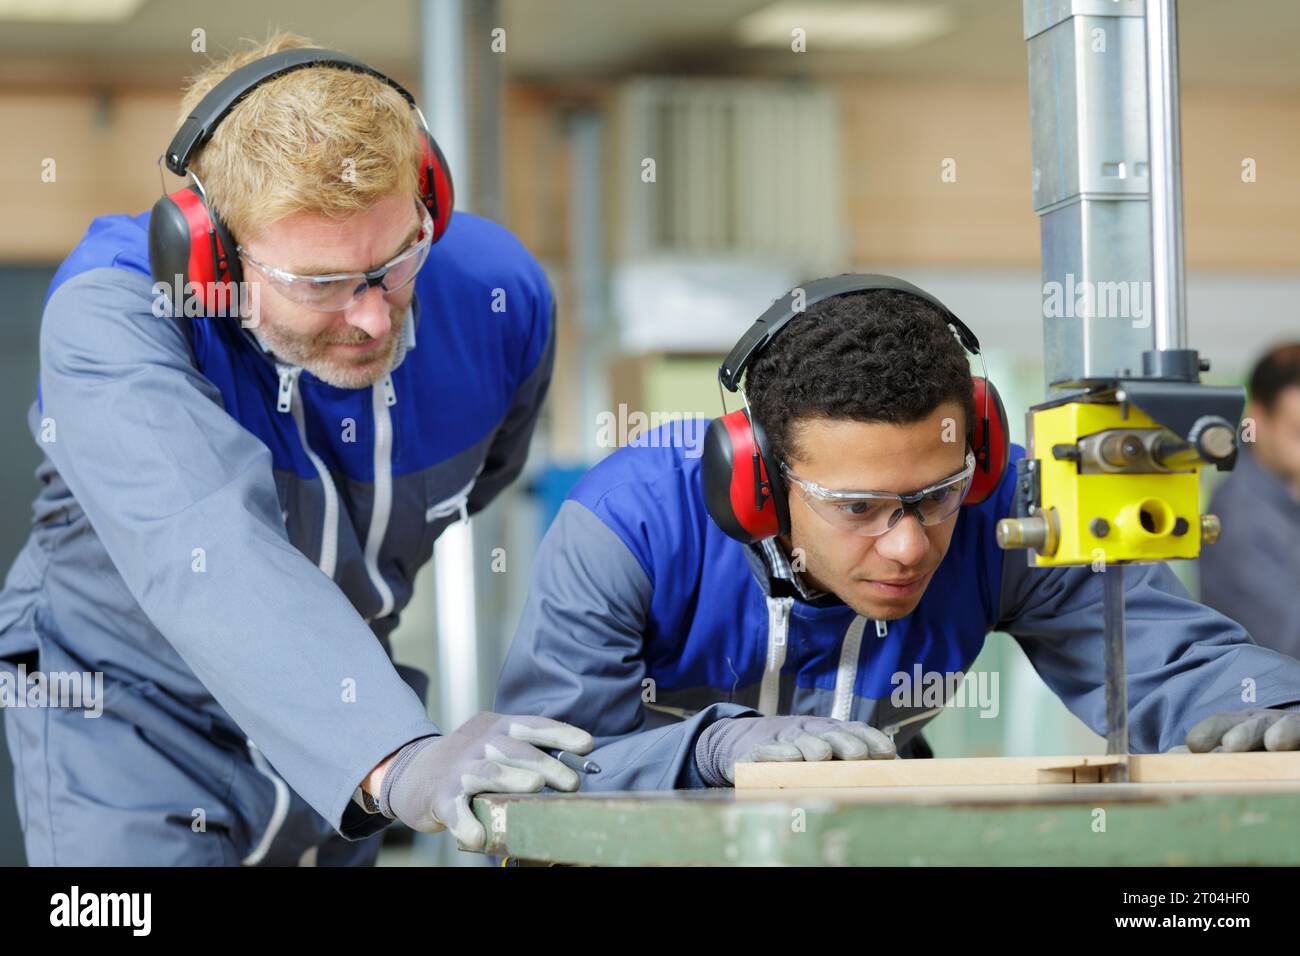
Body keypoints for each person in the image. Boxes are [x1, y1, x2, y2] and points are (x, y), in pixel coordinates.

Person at [0, 34, 590, 866]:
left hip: (345, 688)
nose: (377, 317)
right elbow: (205, 547)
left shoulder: (501, 297)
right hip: (128, 709)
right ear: (211, 254)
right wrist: (395, 756)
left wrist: (366, 731)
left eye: (398, 259)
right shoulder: (116, 313)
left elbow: (479, 481)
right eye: (320, 283)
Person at [496, 276, 1300, 791]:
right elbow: (548, 765)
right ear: (758, 482)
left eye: (936, 494)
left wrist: (1273, 702)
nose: (911, 545)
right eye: (856, 507)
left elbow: (1165, 661)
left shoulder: (1006, 501)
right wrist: (708, 753)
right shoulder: (628, 524)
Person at [1200, 343, 1300, 660]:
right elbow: (1286, 645)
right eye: (1299, 433)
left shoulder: (1287, 491)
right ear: (1257, 419)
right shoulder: (1238, 516)